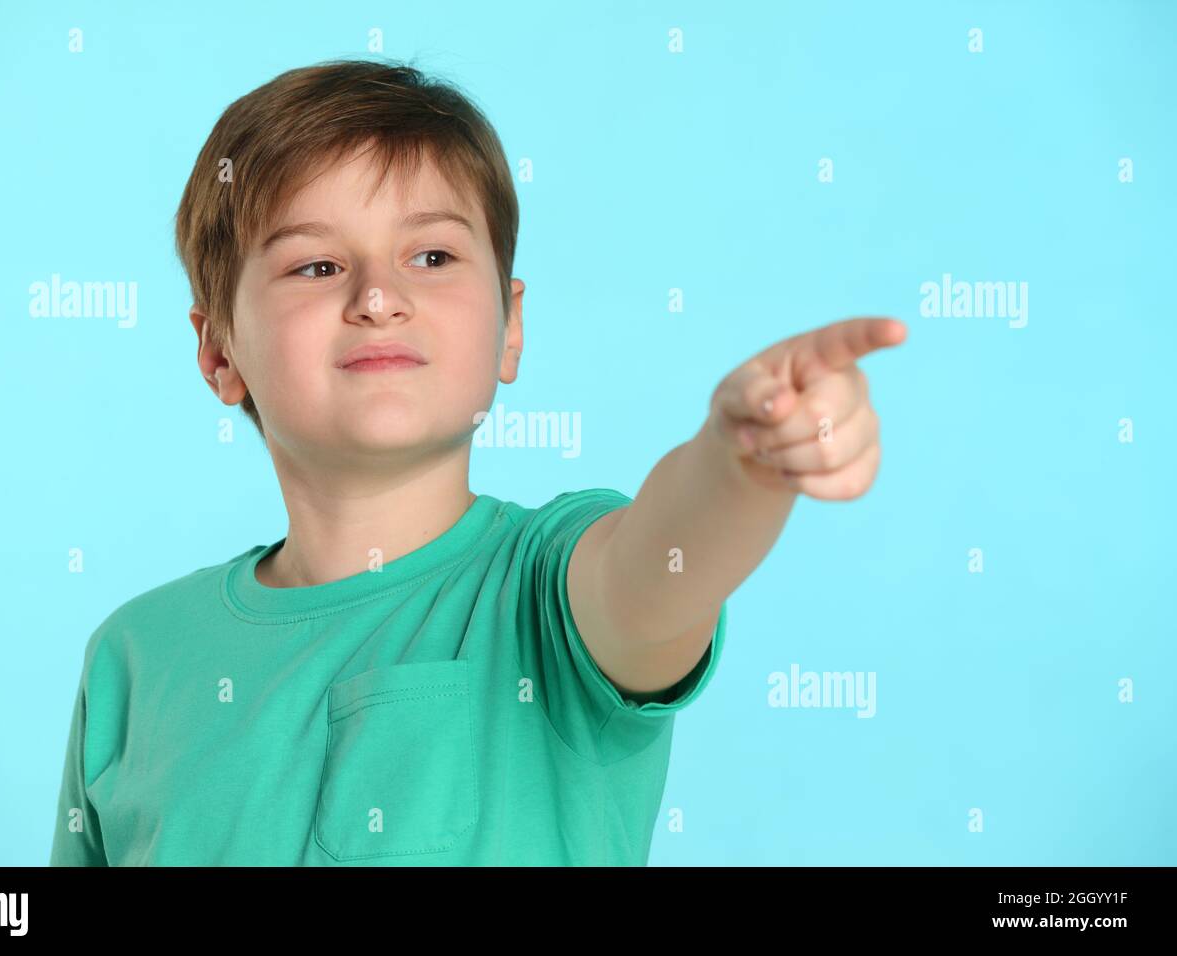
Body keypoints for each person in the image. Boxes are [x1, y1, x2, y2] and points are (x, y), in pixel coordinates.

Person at [49, 57, 906, 866]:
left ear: (511, 325)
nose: (379, 297)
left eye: (433, 257)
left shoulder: (549, 590)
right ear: (219, 352)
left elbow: (658, 570)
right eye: (317, 264)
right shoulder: (134, 655)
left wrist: (742, 462)